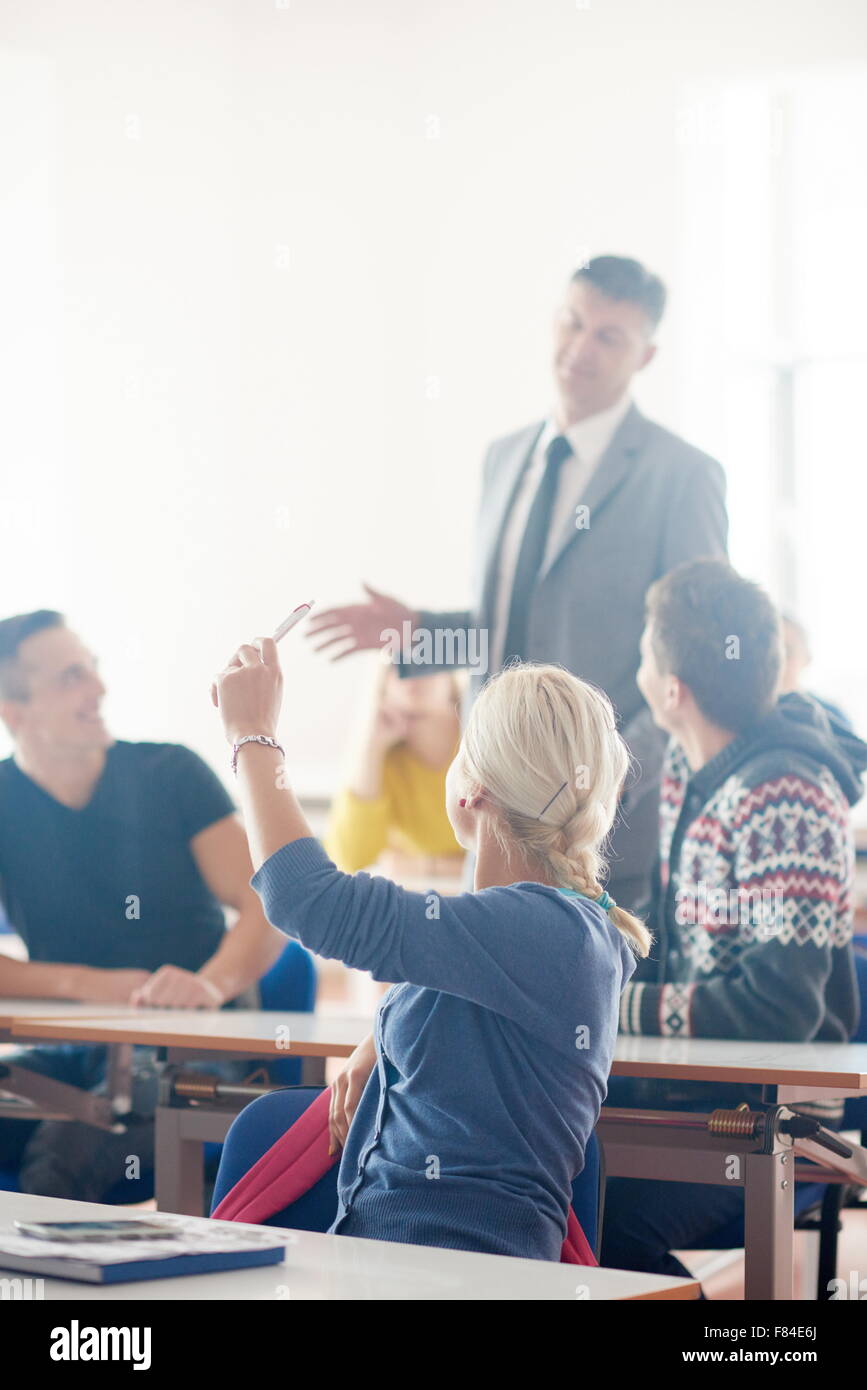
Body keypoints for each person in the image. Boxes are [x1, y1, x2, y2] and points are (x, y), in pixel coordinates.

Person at [306, 255, 728, 911]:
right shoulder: (504, 459)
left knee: (597, 1005)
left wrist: (606, 776)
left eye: (607, 336)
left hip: (604, 832)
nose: (580, 347)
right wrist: (417, 634)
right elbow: (508, 637)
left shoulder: (681, 476)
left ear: (645, 355)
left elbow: (692, 662)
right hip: (493, 818)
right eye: (572, 322)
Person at [213, 646, 648, 1260]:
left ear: (471, 789)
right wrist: (384, 1042)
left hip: (443, 1271)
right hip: (390, 1261)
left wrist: (251, 736)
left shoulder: (547, 929)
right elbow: (475, 991)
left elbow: (306, 899)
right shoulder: (554, 925)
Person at [599, 560, 866, 1280]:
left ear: (671, 690)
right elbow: (666, 939)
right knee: (529, 1181)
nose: (639, 669)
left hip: (769, 1124)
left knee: (598, 1225)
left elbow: (776, 1010)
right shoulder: (698, 775)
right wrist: (584, 959)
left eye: (645, 655)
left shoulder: (784, 796)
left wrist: (611, 1004)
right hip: (690, 1098)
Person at [0, 610, 289, 1200]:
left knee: (70, 1144)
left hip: (197, 1050)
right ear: (14, 711)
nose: (98, 689)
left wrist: (209, 985)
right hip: (72, 1054)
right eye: (70, 678)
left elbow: (270, 903)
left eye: (94, 670)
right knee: (63, 1128)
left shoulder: (169, 773)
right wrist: (85, 983)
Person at [325, 661, 463, 876]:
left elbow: (518, 859)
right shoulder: (385, 762)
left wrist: (426, 867)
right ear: (382, 685)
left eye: (428, 661)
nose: (411, 672)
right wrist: (371, 747)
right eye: (397, 664)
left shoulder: (486, 743)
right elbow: (349, 860)